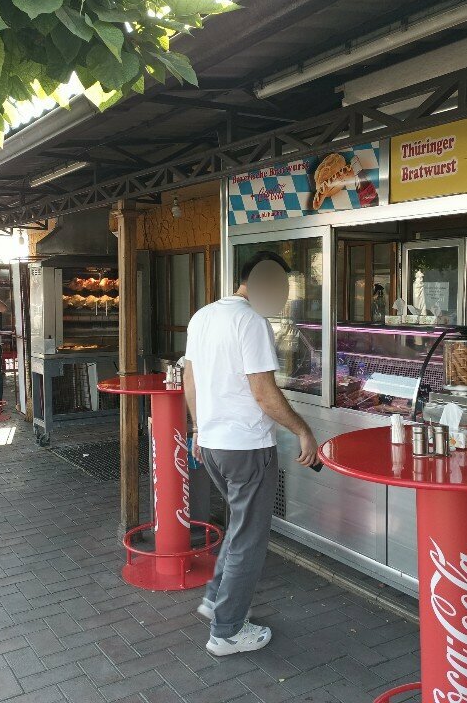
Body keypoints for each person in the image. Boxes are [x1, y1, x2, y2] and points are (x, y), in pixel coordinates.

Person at [184, 251, 318, 656]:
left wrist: (198, 428)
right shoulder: (252, 321)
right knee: (250, 540)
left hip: (213, 444)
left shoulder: (203, 316)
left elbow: (190, 378)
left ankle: (215, 600)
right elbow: (264, 393)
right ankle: (226, 632)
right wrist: (303, 431)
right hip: (246, 447)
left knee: (240, 527)